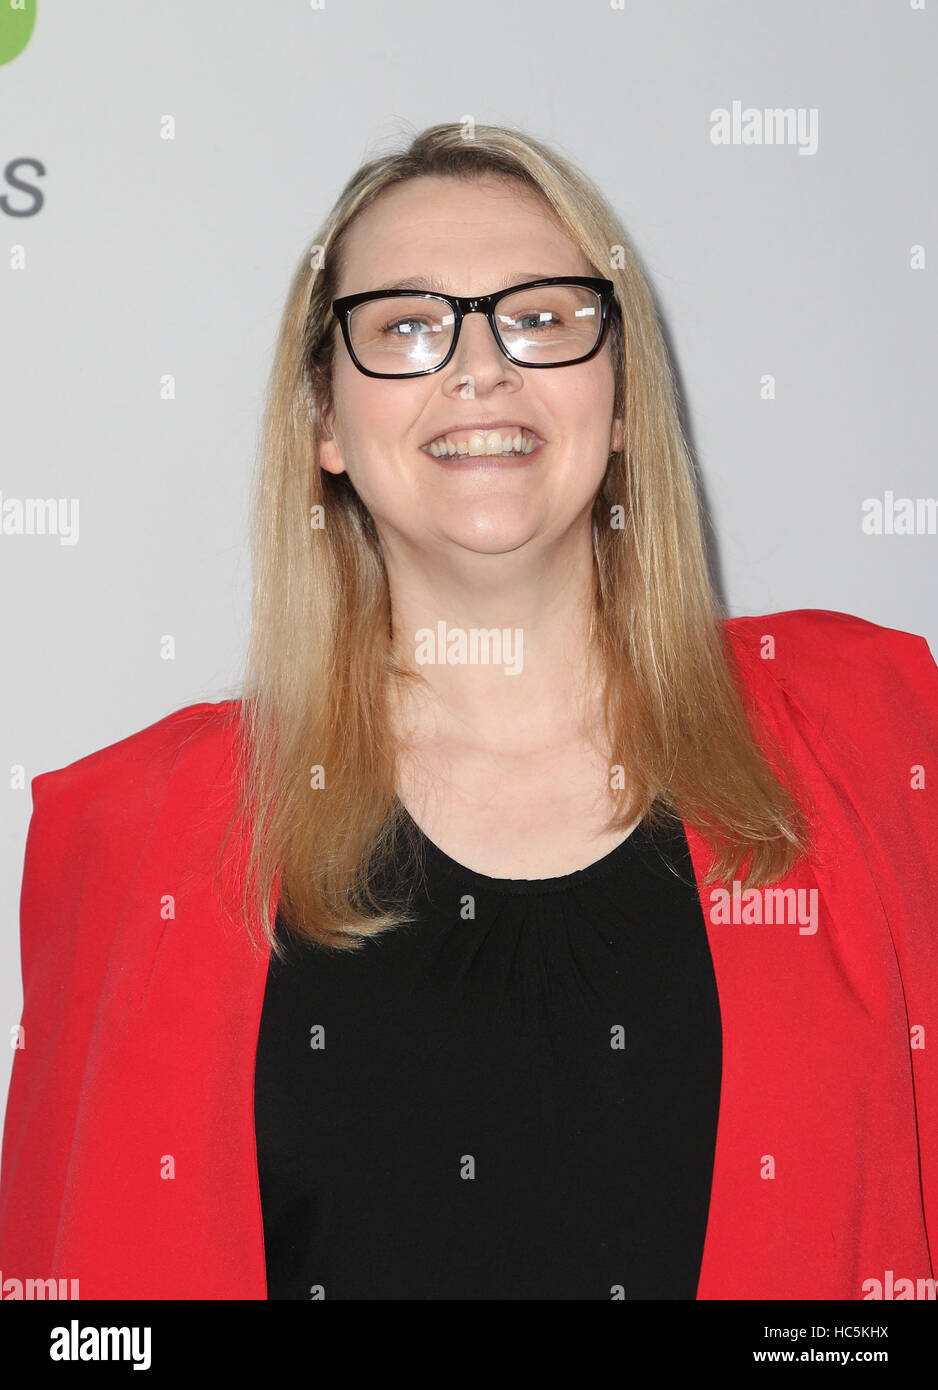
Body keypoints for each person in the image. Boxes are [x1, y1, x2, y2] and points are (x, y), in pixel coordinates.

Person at [0, 122, 936, 1301]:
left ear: (623, 393)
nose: (480, 368)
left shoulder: (879, 742)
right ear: (325, 425)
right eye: (404, 327)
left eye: (540, 317)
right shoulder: (134, 831)